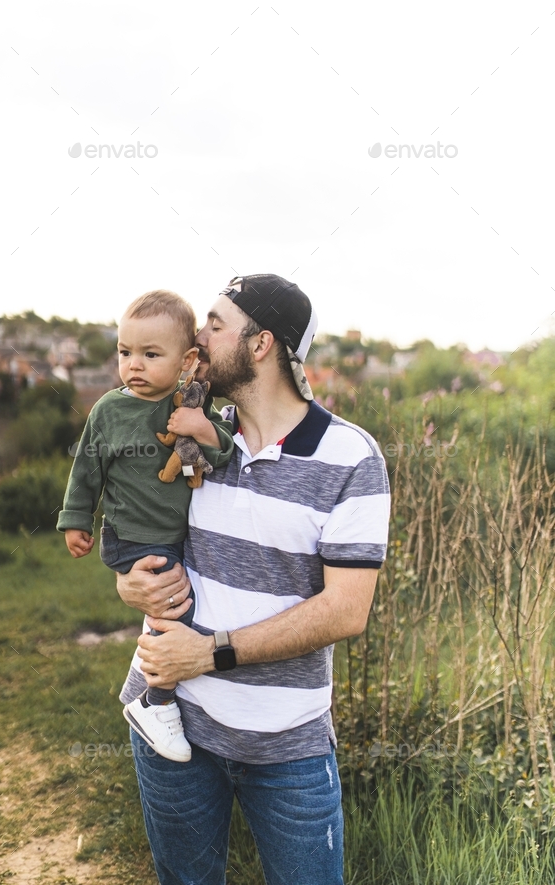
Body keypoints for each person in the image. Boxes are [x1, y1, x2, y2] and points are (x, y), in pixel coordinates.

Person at [116, 274, 391, 885]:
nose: (197, 335)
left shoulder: (350, 459)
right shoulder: (192, 433)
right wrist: (130, 583)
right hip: (172, 728)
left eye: (215, 324)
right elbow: (144, 536)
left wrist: (209, 654)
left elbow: (346, 610)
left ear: (261, 343)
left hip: (287, 745)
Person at [56, 289, 233, 763]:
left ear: (186, 359)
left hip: (170, 537)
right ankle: (157, 705)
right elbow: (85, 471)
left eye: (150, 354)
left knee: (179, 609)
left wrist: (201, 427)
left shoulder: (190, 403)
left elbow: (223, 453)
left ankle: (159, 698)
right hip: (132, 538)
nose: (134, 364)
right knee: (178, 613)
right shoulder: (109, 412)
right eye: (125, 352)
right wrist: (75, 520)